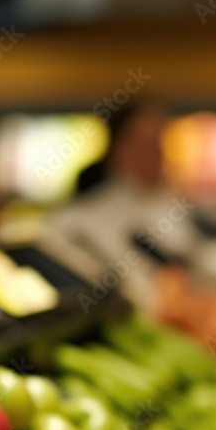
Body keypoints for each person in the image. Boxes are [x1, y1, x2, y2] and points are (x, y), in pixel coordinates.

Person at [42, 102, 197, 313]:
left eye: (159, 142)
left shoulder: (176, 204)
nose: (155, 154)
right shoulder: (81, 218)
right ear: (117, 149)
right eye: (144, 144)